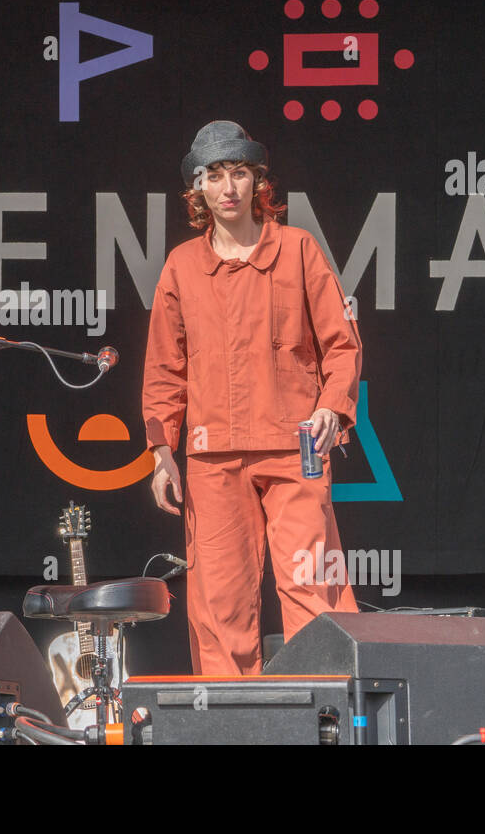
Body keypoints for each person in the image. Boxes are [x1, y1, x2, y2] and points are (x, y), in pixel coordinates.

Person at [141, 120, 362, 676]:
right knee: (219, 604)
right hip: (213, 458)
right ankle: (229, 727)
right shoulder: (182, 266)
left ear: (258, 182)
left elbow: (342, 342)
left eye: (239, 172)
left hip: (295, 449)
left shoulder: (298, 250)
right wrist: (161, 450)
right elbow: (165, 368)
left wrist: (332, 408)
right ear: (197, 190)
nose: (229, 187)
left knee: (314, 591)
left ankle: (327, 718)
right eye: (215, 176)